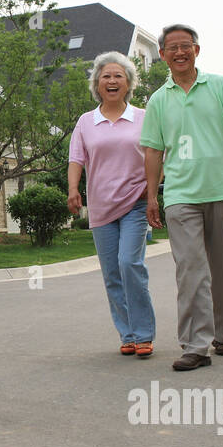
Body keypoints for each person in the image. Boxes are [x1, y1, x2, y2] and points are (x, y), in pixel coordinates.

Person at [139, 25, 223, 371]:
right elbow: (153, 151)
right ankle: (195, 346)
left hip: (222, 189)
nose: (179, 52)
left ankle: (222, 335)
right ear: (162, 55)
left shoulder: (219, 86)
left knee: (220, 268)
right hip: (180, 195)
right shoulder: (158, 99)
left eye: (185, 46)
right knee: (190, 269)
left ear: (196, 50)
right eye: (172, 48)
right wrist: (152, 195)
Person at [68, 51, 157, 358]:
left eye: (118, 75)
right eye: (106, 76)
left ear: (129, 83)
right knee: (111, 273)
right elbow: (76, 158)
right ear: (97, 83)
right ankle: (128, 333)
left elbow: (155, 155)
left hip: (135, 202)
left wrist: (153, 192)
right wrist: (72, 190)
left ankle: (144, 333)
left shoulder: (144, 117)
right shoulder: (86, 122)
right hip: (101, 206)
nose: (112, 80)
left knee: (130, 263)